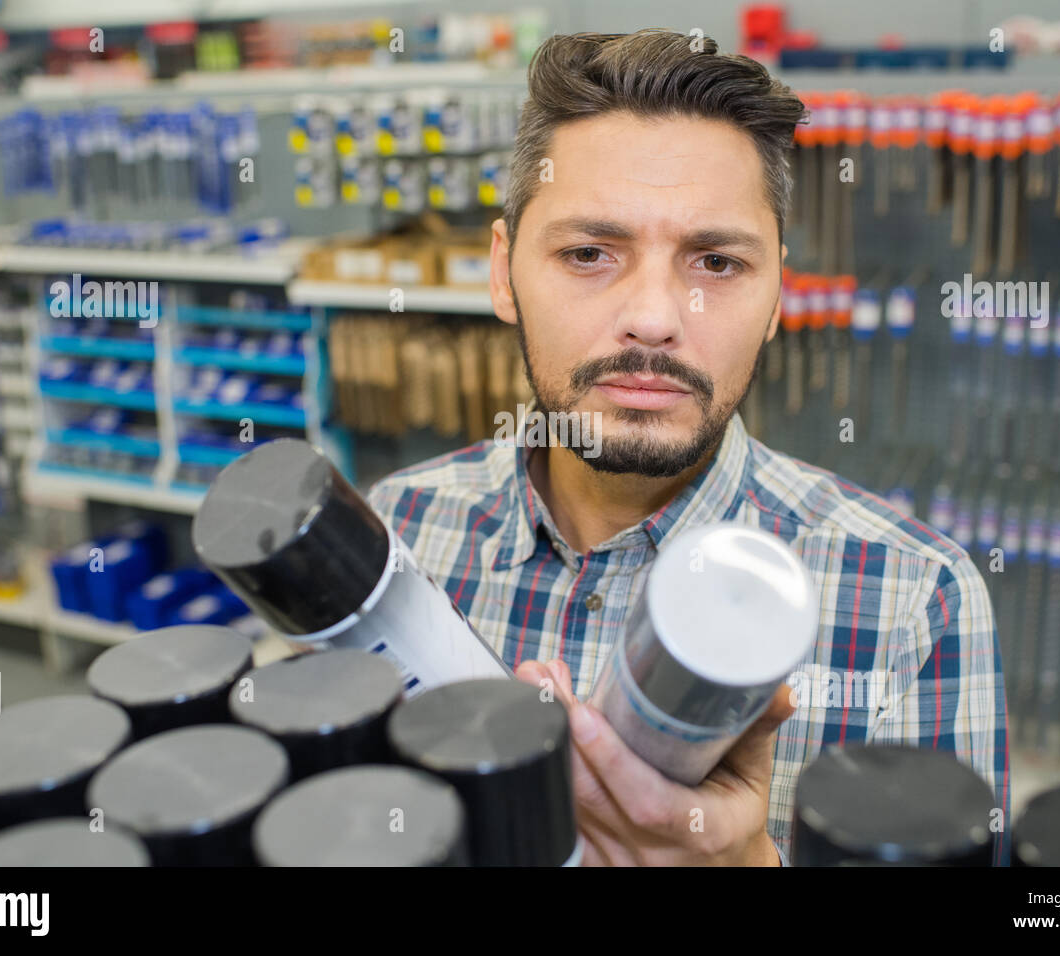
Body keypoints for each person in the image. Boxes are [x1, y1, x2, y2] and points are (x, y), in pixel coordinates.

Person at [367, 28, 1009, 866]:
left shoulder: (914, 603)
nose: (657, 317)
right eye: (590, 253)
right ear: (503, 273)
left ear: (778, 291)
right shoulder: (394, 539)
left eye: (714, 261)